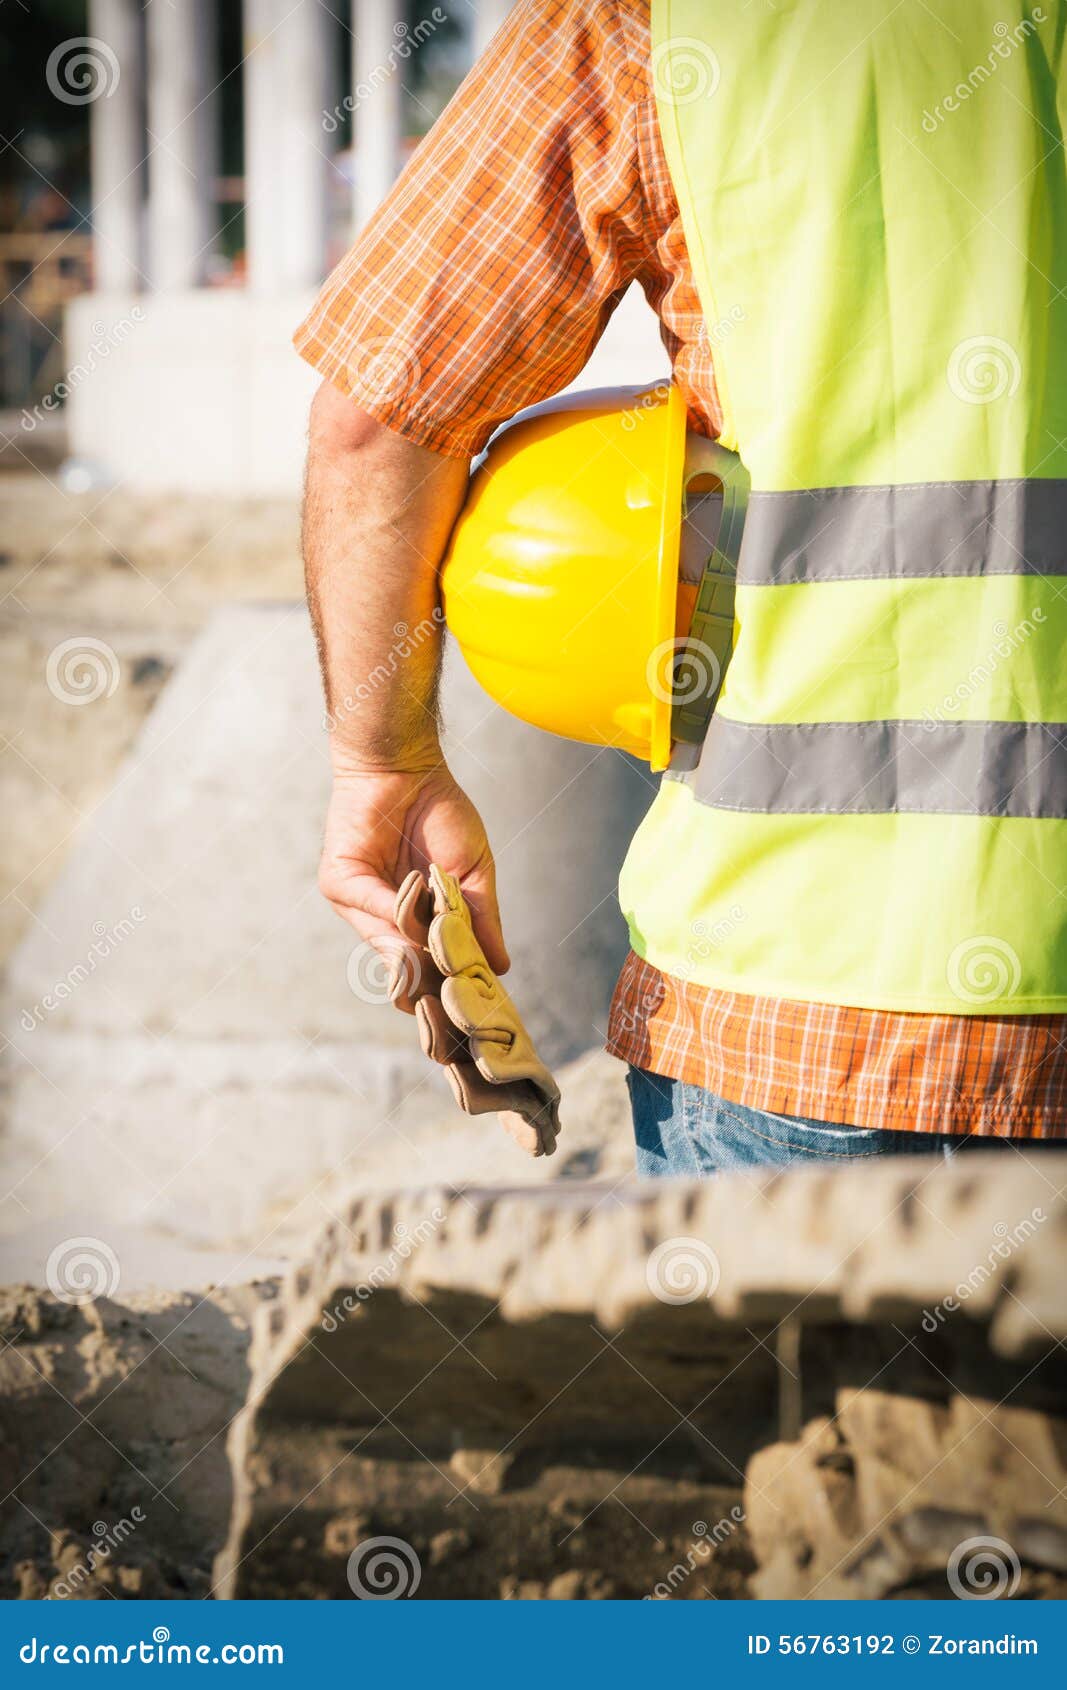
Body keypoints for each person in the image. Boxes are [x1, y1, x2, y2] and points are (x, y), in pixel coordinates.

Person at [298, 0, 1067, 1176]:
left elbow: (379, 419)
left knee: (774, 1368)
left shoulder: (647, 17)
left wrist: (382, 761)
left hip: (788, 997)